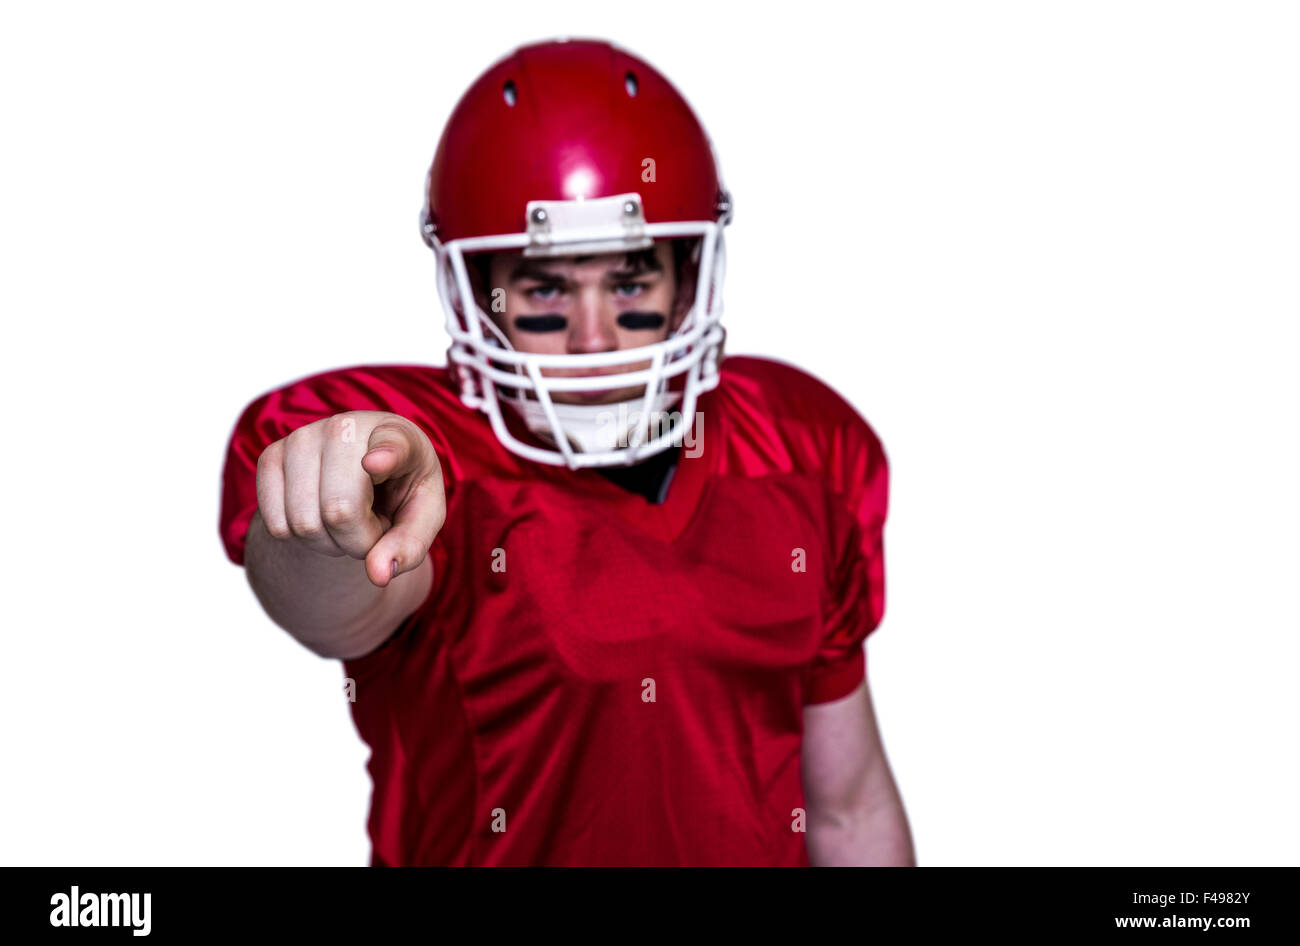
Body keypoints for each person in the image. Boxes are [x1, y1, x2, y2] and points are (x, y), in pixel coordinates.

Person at [218, 37, 914, 866]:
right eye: (546, 288)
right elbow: (331, 610)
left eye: (629, 282)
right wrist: (340, 513)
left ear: (686, 279)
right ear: (479, 294)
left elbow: (845, 806)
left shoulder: (799, 446)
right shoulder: (422, 457)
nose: (592, 339)